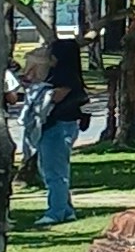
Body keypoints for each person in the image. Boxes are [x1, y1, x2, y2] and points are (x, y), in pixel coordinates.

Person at [24, 36, 88, 226]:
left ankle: (55, 212)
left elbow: (54, 97)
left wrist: (38, 89)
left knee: (55, 172)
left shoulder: (66, 77)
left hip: (60, 127)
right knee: (50, 169)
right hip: (54, 126)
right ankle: (66, 210)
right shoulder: (57, 75)